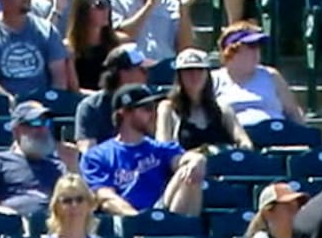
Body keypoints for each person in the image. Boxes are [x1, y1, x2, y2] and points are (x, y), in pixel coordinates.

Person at [80, 84, 206, 217]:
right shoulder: (97, 156)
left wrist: (197, 159)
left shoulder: (160, 149)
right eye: (147, 109)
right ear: (124, 113)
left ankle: (182, 229)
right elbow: (106, 198)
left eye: (153, 108)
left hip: (163, 213)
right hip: (126, 223)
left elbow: (182, 160)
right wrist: (138, 218)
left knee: (191, 169)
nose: (153, 114)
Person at [0, 100, 78, 217]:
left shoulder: (58, 166)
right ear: (17, 130)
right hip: (12, 229)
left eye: (45, 123)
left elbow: (80, 203)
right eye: (35, 122)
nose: (42, 129)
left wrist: (72, 166)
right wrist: (9, 214)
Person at [213, 22, 306, 128]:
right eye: (251, 46)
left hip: (275, 134)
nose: (257, 51)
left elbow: (294, 112)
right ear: (231, 51)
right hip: (236, 138)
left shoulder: (271, 75)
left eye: (258, 46)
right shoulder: (215, 79)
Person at [159, 47, 251, 151]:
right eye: (188, 70)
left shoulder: (222, 109)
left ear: (207, 74)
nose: (194, 75)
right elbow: (163, 146)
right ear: (179, 76)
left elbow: (243, 140)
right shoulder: (168, 108)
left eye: (200, 70)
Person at [73, 42, 147, 150]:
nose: (147, 74)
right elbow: (88, 149)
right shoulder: (91, 107)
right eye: (142, 70)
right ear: (124, 74)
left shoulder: (148, 101)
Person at [67, 0, 120, 92]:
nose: (106, 10)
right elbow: (74, 89)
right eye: (99, 5)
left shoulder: (115, 44)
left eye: (107, 4)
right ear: (83, 11)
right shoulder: (70, 49)